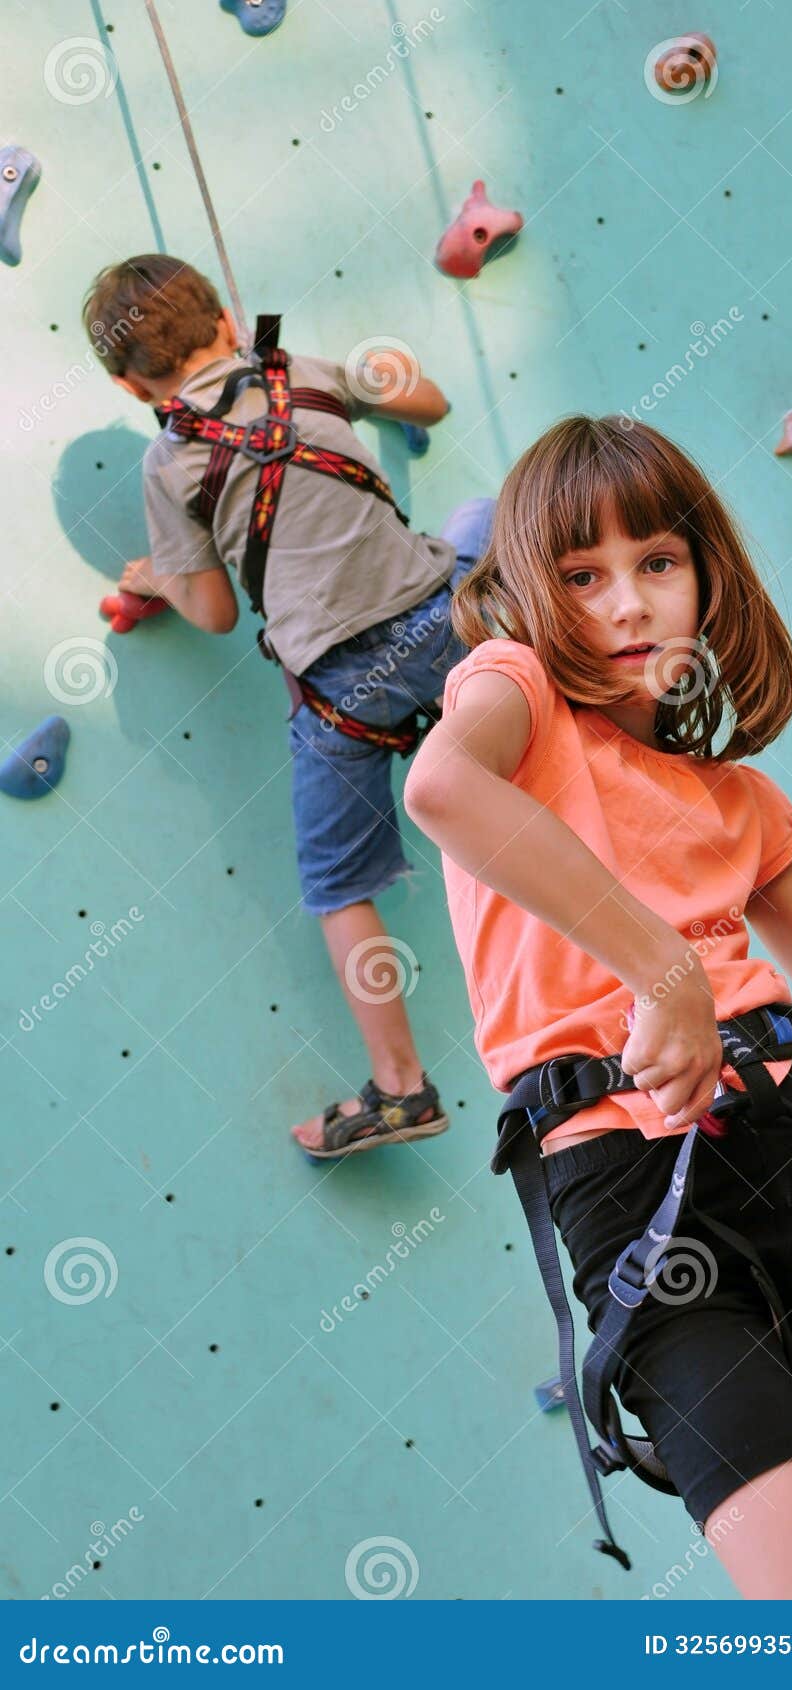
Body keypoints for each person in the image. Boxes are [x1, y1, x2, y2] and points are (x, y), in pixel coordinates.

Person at [403, 414, 792, 1600]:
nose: (625, 605)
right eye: (581, 575)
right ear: (533, 595)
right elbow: (438, 785)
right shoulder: (515, 703)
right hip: (645, 1204)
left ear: (707, 578)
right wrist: (660, 973)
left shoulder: (741, 800)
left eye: (656, 564)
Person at [82, 255, 495, 1158]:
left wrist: (161, 574)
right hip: (448, 619)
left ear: (126, 382)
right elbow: (426, 404)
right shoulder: (299, 372)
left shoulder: (167, 466)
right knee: (486, 514)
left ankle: (400, 1091)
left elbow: (216, 611)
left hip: (344, 692)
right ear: (228, 319)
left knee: (338, 888)